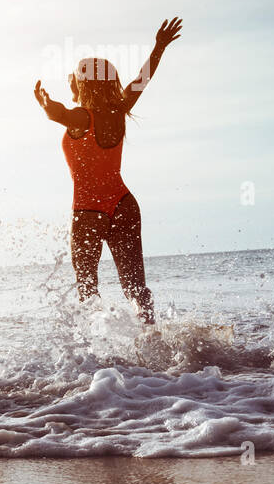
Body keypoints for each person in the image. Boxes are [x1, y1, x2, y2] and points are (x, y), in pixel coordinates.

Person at [33, 17, 182, 324]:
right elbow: (141, 81)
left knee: (88, 292)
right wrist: (159, 47)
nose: (69, 79)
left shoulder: (80, 117)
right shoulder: (119, 110)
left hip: (89, 213)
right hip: (123, 204)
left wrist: (46, 104)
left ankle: (98, 359)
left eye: (73, 76)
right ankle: (151, 340)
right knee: (136, 289)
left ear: (83, 82)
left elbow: (58, 114)